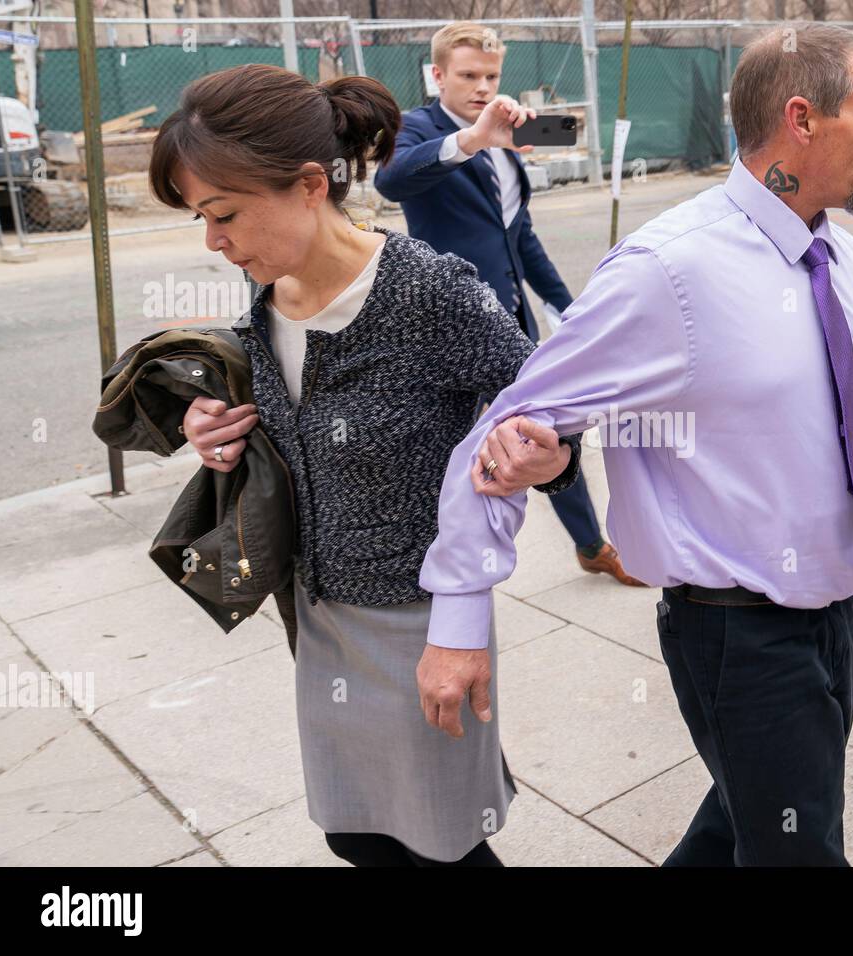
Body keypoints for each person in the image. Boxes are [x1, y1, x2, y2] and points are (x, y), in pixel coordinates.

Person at [414, 25, 853, 866]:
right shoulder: (669, 272)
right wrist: (457, 620)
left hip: (832, 618)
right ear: (802, 120)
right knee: (797, 848)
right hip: (737, 637)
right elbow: (507, 429)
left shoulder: (849, 264)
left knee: (742, 824)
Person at [148, 63, 581, 867]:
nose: (212, 241)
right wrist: (214, 425)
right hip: (317, 616)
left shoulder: (430, 292)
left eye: (224, 214)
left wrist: (546, 460)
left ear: (310, 184)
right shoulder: (269, 300)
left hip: (420, 622)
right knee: (354, 832)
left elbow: (549, 422)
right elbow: (284, 428)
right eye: (202, 220)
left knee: (440, 846)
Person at [373, 21, 643, 588]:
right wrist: (471, 139)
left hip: (506, 320)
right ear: (438, 74)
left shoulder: (507, 140)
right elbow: (393, 182)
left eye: (491, 75)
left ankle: (592, 544)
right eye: (468, 75)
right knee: (438, 450)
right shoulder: (421, 129)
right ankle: (425, 569)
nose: (481, 86)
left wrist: (571, 311)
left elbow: (518, 238)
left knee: (544, 429)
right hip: (440, 325)